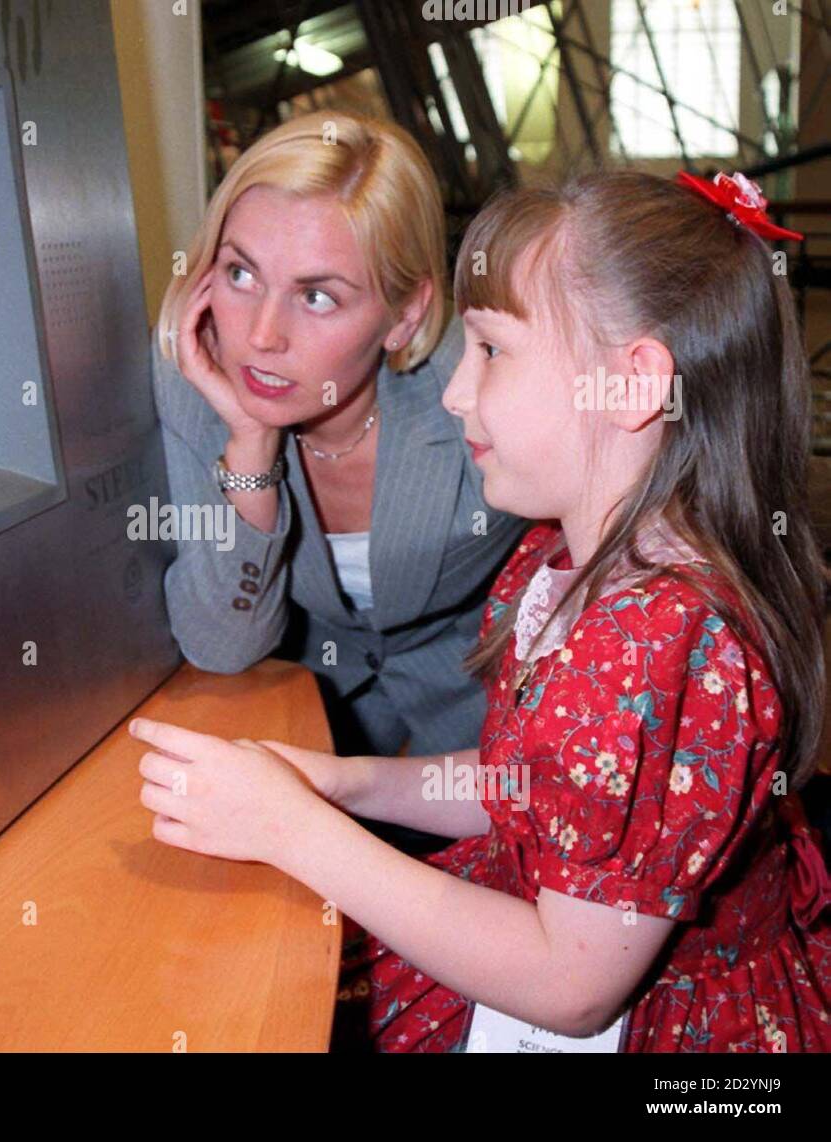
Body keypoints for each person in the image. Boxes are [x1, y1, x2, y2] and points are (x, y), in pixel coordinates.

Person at [131, 168, 831, 1052]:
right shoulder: (570, 558)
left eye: (492, 351)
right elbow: (529, 791)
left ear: (631, 386)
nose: (456, 391)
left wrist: (294, 830)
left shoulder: (661, 643)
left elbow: (572, 987)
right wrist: (345, 782)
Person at [151, 110, 528, 796]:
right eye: (240, 274)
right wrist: (251, 446)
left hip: (488, 724)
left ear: (406, 317)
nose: (261, 336)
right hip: (305, 706)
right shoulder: (195, 375)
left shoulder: (481, 391)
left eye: (318, 295)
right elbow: (221, 645)